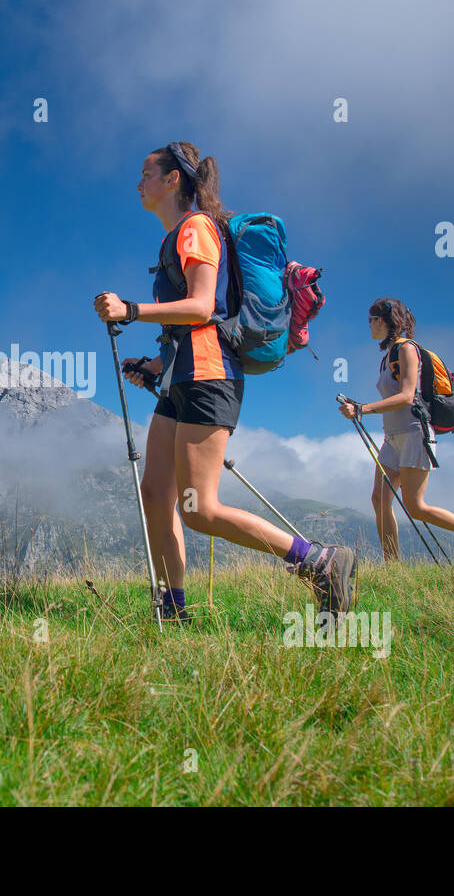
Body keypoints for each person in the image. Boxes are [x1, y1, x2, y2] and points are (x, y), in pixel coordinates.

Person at [95, 141, 356, 623]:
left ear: (173, 180)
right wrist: (154, 366)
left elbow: (201, 306)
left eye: (146, 175)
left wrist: (131, 310)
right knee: (156, 495)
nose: (138, 184)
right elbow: (190, 324)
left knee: (199, 510)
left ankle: (321, 562)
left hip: (209, 379)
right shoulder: (174, 237)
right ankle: (172, 612)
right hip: (182, 377)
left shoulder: (195, 229)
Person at [337, 298, 454, 559]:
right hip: (392, 438)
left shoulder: (407, 349)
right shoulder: (386, 359)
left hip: (415, 434)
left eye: (371, 320)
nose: (369, 326)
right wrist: (360, 406)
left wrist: (363, 410)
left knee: (415, 507)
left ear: (381, 320)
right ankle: (393, 567)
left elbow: (407, 396)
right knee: (379, 500)